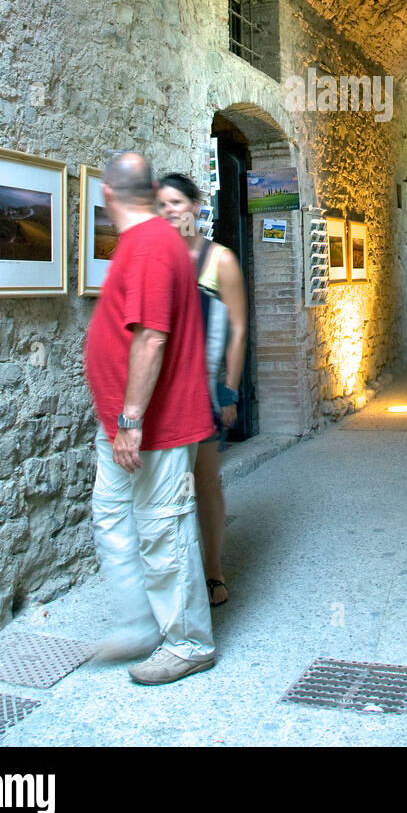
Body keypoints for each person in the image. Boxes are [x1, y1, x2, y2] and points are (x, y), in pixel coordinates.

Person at [84, 151, 216, 685]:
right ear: (150, 188)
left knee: (163, 524)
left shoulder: (149, 245)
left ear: (107, 195)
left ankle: (188, 642)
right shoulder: (148, 241)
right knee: (112, 516)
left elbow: (152, 336)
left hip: (149, 426)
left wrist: (131, 420)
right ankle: (141, 622)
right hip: (122, 424)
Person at [157, 173, 247, 608]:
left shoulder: (220, 260)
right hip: (164, 388)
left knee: (205, 479)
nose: (170, 211)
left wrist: (229, 389)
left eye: (176, 202)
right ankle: (172, 570)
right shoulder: (159, 257)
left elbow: (238, 327)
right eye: (162, 204)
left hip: (205, 388)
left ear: (195, 205)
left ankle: (212, 570)